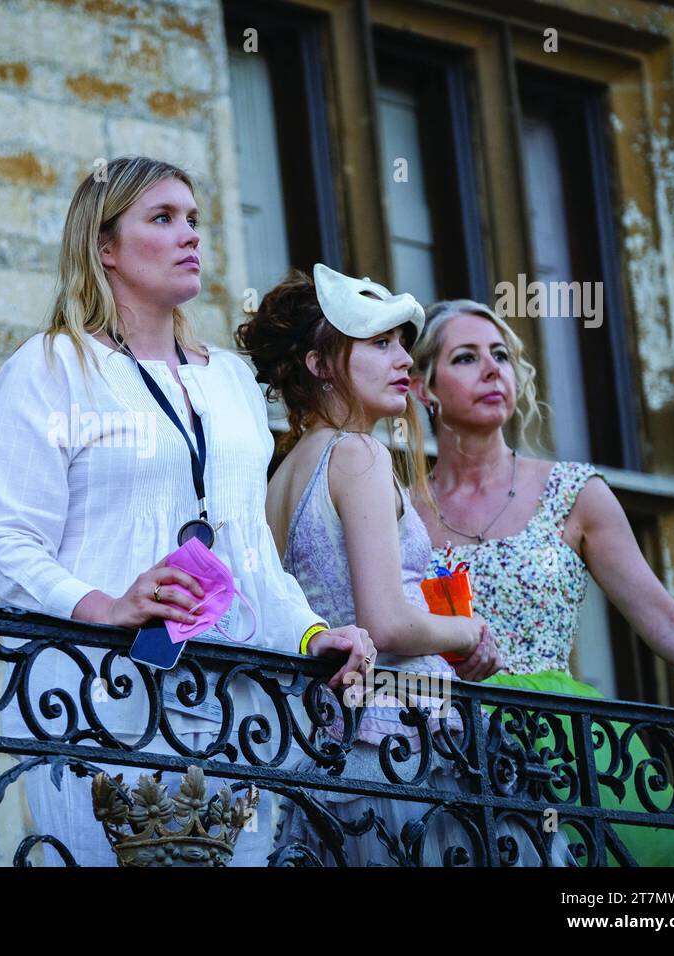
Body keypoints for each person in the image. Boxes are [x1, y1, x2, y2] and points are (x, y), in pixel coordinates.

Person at [0, 157, 375, 867]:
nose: (190, 235)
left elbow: (252, 555)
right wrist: (108, 606)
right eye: (162, 218)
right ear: (104, 247)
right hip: (98, 695)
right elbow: (2, 545)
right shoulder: (50, 366)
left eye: (193, 219)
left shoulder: (232, 381)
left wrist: (314, 635)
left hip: (239, 705)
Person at [239, 266, 568, 865]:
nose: (403, 361)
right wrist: (468, 632)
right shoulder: (358, 454)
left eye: (402, 343)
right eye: (379, 343)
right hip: (401, 740)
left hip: (329, 742)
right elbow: (386, 623)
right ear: (320, 364)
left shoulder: (283, 474)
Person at [409, 297, 674, 865]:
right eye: (466, 357)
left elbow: (667, 622)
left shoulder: (574, 493)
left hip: (569, 748)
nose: (492, 369)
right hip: (447, 747)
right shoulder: (402, 513)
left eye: (500, 355)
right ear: (424, 388)